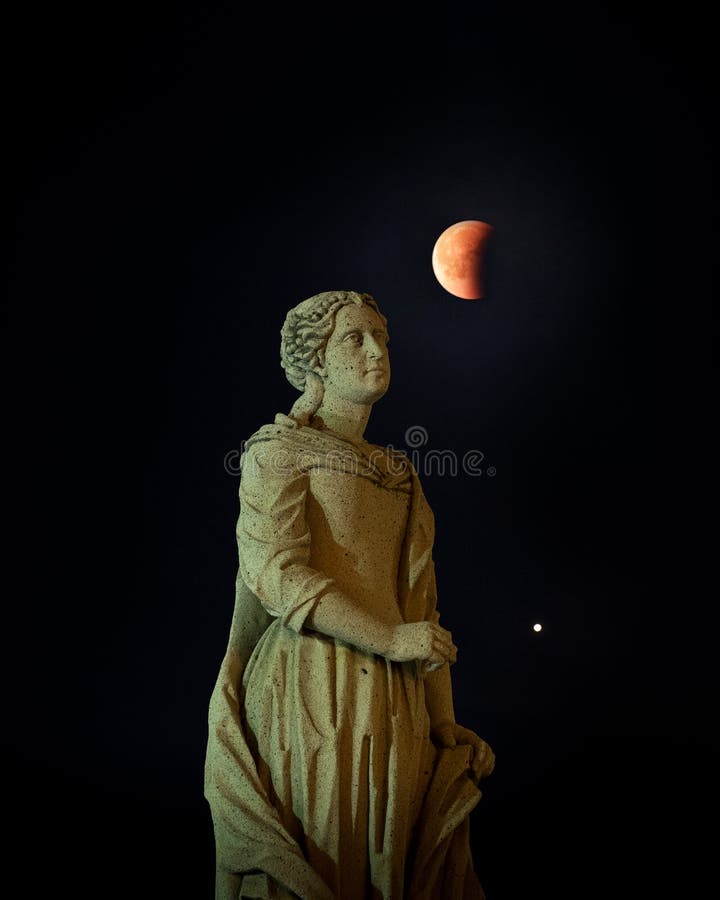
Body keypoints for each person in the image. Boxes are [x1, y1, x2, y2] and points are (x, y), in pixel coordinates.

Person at [205, 290, 495, 899]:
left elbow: (421, 607)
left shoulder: (399, 470)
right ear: (314, 361)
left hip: (398, 696)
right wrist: (388, 639)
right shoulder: (277, 452)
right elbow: (278, 576)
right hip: (313, 687)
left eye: (382, 338)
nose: (376, 351)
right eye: (354, 339)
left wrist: (444, 721)